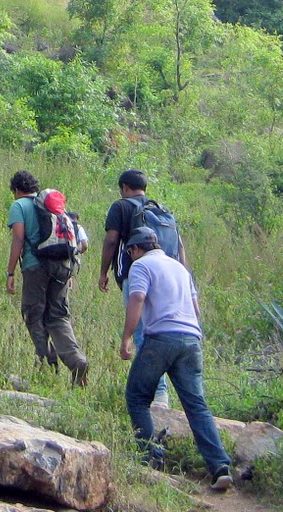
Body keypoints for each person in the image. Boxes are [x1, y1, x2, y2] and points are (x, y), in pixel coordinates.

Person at [118, 226, 232, 491]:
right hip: (191, 339)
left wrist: (126, 337)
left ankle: (150, 459)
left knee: (137, 397)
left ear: (135, 249)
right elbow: (195, 305)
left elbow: (137, 298)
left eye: (130, 252)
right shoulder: (180, 268)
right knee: (197, 405)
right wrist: (197, 333)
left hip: (162, 339)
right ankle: (220, 467)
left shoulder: (141, 265)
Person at [98, 169, 187, 410]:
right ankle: (164, 392)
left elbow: (111, 240)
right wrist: (184, 276)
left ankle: (157, 395)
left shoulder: (121, 207)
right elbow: (179, 247)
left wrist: (103, 271)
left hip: (135, 275)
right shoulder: (161, 210)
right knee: (158, 331)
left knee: (141, 333)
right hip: (168, 279)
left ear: (125, 187)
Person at [6, 169, 89, 385]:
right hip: (64, 266)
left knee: (33, 313)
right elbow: (82, 243)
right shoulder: (53, 207)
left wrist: (11, 272)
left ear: (16, 190)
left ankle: (46, 362)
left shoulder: (19, 206)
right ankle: (76, 360)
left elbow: (18, 239)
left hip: (36, 266)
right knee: (58, 316)